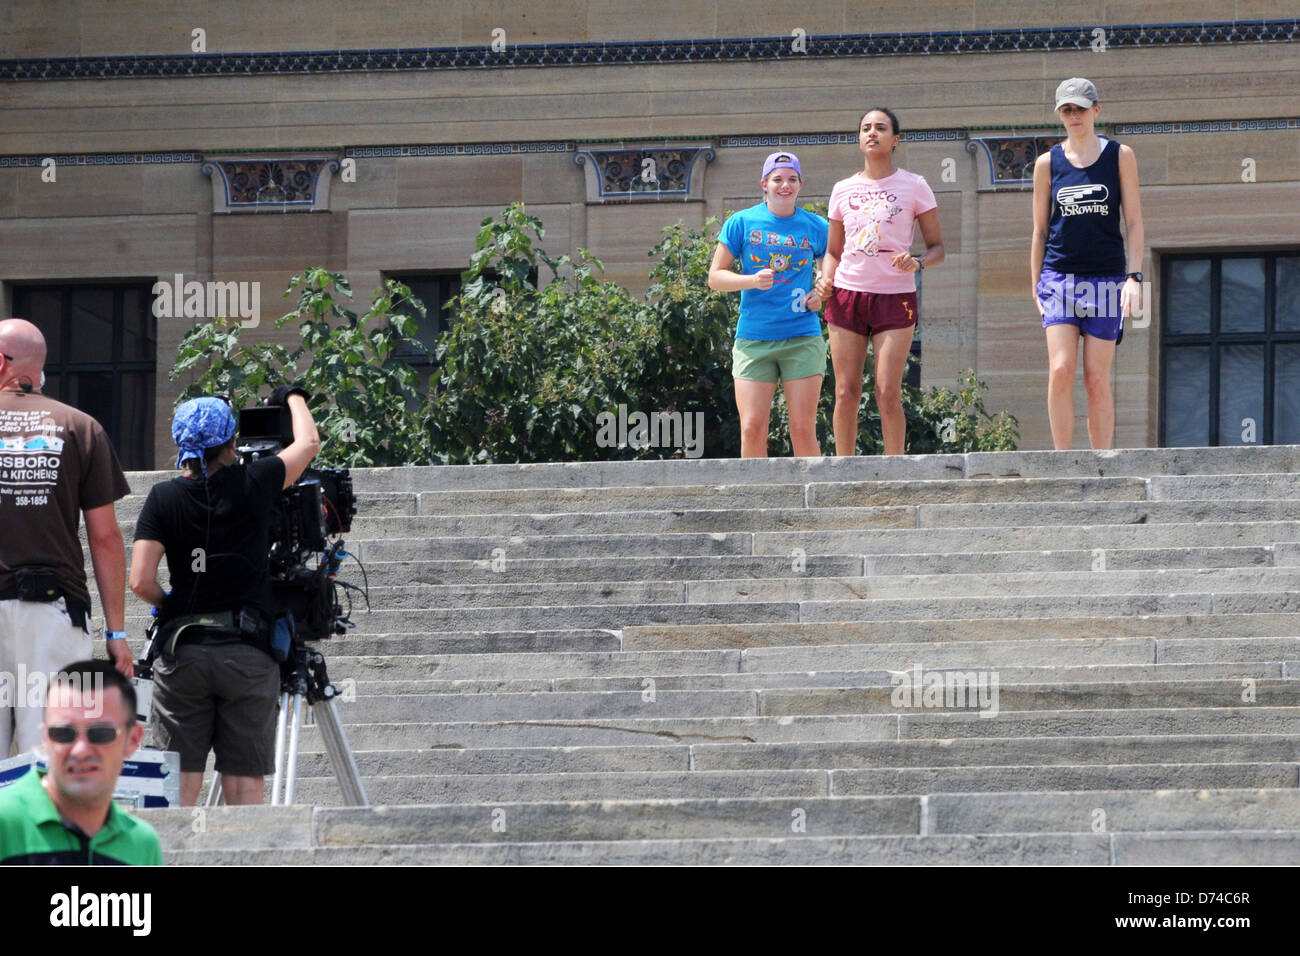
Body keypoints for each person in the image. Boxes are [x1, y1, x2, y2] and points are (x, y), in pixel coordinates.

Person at [130, 389, 320, 806]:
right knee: (244, 781)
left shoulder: (164, 497)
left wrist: (173, 607)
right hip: (248, 654)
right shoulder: (256, 481)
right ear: (231, 443)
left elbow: (140, 581)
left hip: (184, 654)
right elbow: (308, 444)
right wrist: (292, 396)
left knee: (176, 781)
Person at [0, 318, 133, 760]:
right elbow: (106, 537)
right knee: (51, 754)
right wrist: (116, 631)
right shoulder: (81, 427)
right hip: (53, 614)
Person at [816, 107, 945, 456]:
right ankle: (843, 470)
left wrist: (917, 262)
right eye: (866, 128)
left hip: (895, 296)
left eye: (881, 128)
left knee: (888, 391)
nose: (872, 133)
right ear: (859, 139)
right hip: (847, 296)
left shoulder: (914, 185)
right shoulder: (842, 189)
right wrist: (826, 278)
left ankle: (895, 468)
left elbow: (938, 248)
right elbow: (832, 251)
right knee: (846, 391)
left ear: (895, 139)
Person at [1031, 77, 1145, 450]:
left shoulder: (1120, 155)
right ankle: (1062, 462)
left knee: (1096, 377)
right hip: (1060, 276)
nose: (1074, 116)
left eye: (1080, 108)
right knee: (1060, 369)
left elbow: (1134, 222)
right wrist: (1036, 285)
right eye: (1067, 109)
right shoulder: (1048, 163)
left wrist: (1134, 277)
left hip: (1108, 279)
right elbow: (1039, 230)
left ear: (1096, 110)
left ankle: (1101, 463)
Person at [708, 151, 829, 457]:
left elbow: (831, 270)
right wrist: (750, 280)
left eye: (791, 179)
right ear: (764, 183)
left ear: (800, 184)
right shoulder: (741, 222)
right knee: (751, 427)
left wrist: (822, 292)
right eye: (778, 179)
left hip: (801, 336)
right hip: (754, 338)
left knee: (802, 429)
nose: (784, 185)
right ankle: (752, 502)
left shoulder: (817, 226)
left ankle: (814, 503)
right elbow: (715, 277)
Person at [0, 660, 161, 865]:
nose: (81, 750)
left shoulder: (142, 844)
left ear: (133, 740)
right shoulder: (4, 823)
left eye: (101, 733)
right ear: (45, 739)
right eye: (64, 733)